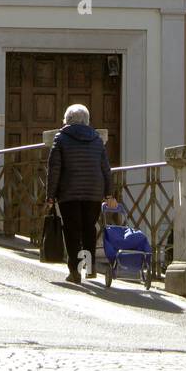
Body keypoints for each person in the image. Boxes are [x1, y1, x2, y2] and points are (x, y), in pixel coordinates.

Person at [46, 104, 115, 284]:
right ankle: (90, 268)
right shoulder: (97, 139)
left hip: (69, 192)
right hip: (93, 192)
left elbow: (54, 169)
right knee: (89, 229)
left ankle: (75, 272)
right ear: (87, 120)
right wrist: (109, 194)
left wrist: (50, 196)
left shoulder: (61, 138)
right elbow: (106, 169)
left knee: (72, 230)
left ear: (67, 119)